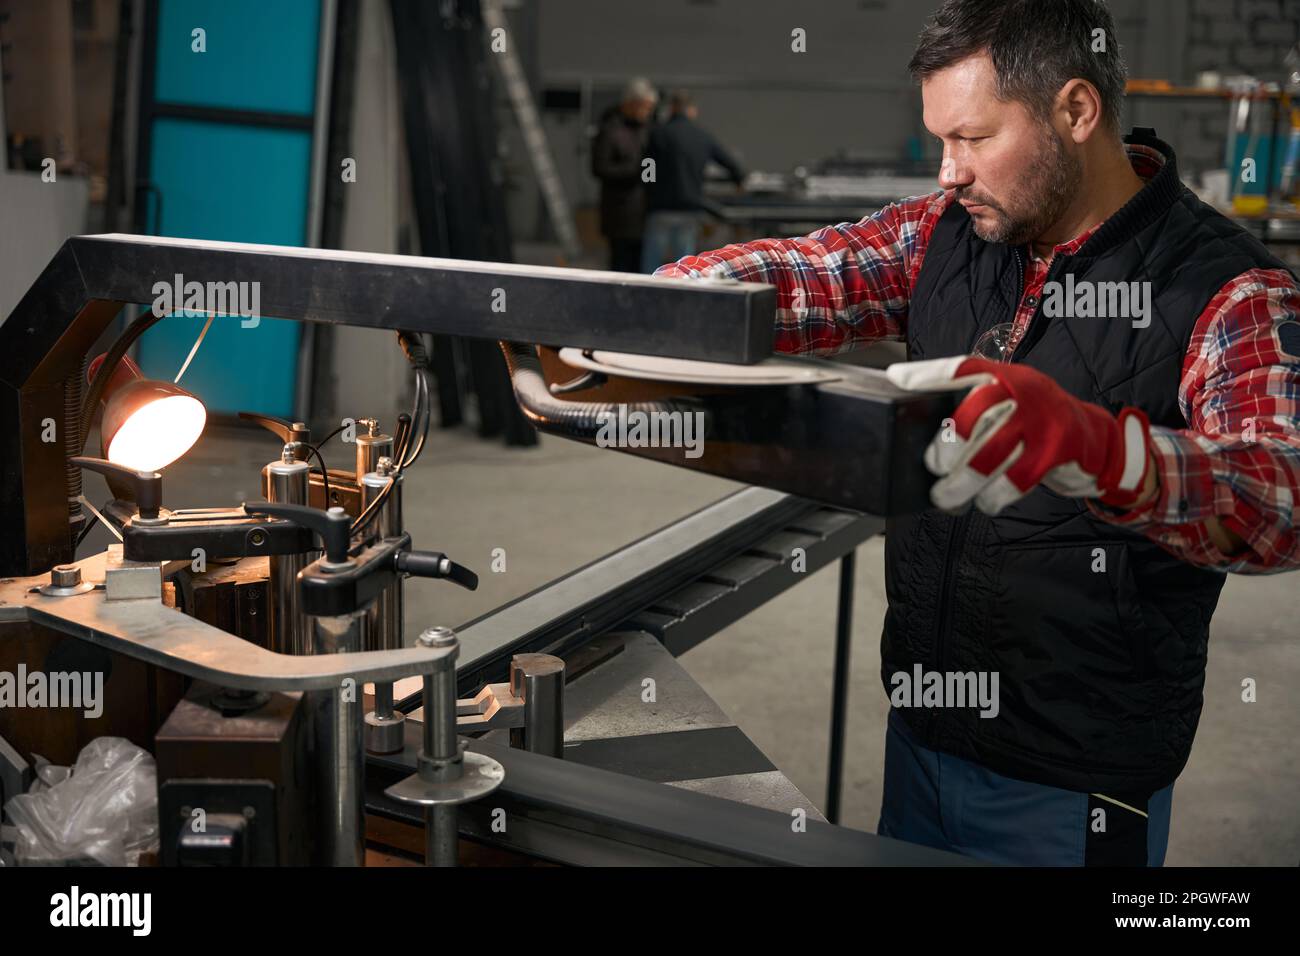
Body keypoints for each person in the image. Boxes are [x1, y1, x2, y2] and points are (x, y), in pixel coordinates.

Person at [654, 0, 1300, 866]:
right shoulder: (947, 233)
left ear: (1076, 112)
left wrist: (1105, 450)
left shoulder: (1229, 288)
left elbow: (1279, 493)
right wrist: (655, 304)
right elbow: (816, 273)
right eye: (940, 141)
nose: (948, 172)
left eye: (973, 138)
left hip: (1078, 785)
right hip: (923, 732)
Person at [641, 90, 746, 273]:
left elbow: (647, 165)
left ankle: (645, 296)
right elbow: (728, 162)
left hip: (660, 207)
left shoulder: (657, 133)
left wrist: (648, 187)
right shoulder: (701, 135)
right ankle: (682, 297)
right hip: (689, 207)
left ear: (672, 109)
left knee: (652, 261)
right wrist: (739, 179)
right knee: (683, 264)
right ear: (691, 110)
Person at [591, 77, 658, 272]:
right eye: (644, 107)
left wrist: (651, 175)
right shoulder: (610, 130)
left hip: (645, 211)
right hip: (620, 213)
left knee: (641, 266)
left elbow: (650, 166)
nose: (647, 113)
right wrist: (636, 171)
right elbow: (599, 168)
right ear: (630, 104)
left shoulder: (647, 130)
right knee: (621, 265)